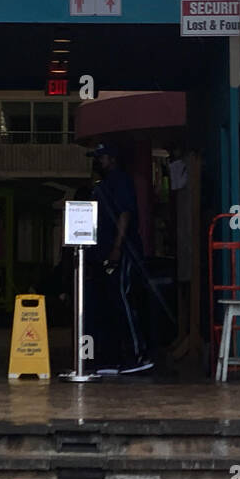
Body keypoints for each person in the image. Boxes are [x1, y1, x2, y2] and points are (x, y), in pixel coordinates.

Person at [85, 141, 152, 376]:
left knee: (123, 301)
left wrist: (117, 247)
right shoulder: (101, 185)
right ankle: (112, 358)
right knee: (110, 303)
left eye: (101, 157)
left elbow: (125, 214)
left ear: (112, 159)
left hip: (123, 253)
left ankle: (138, 354)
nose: (98, 162)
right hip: (104, 253)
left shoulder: (121, 181)